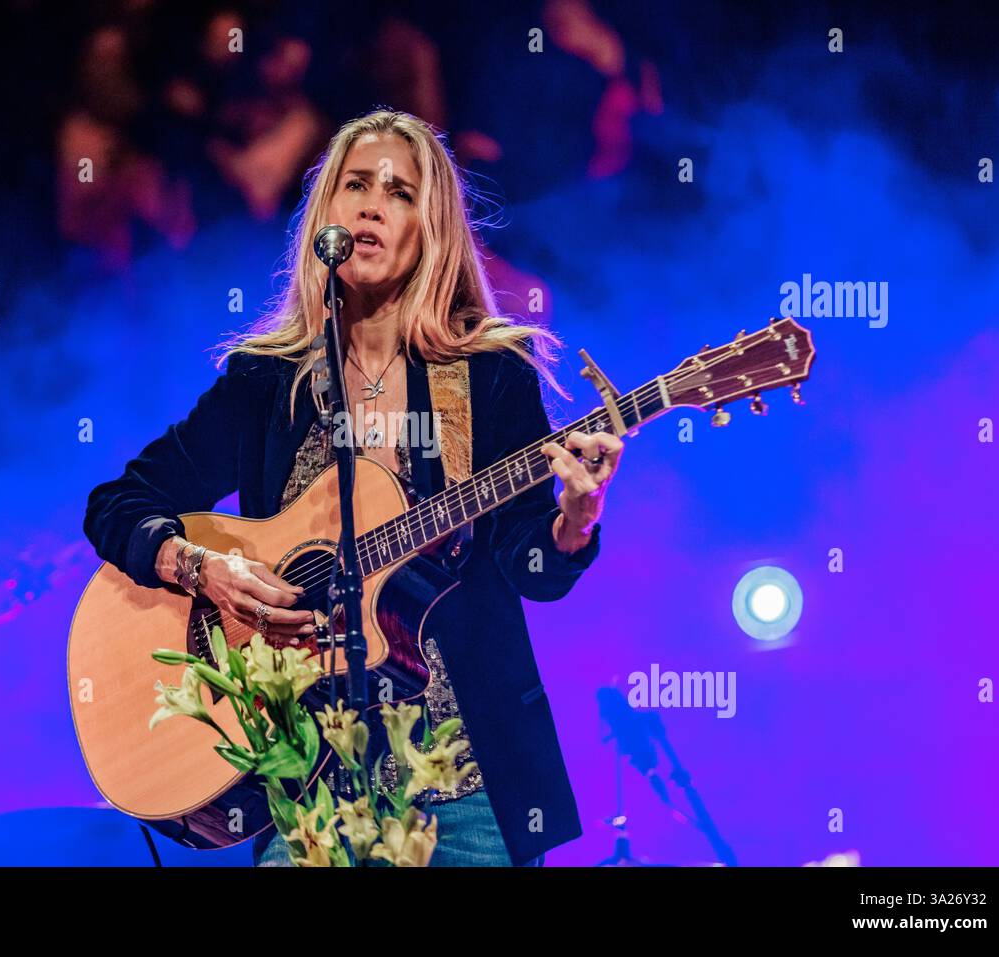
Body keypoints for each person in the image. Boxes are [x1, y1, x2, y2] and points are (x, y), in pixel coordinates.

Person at [83, 109, 623, 867]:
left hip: (464, 791)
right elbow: (116, 504)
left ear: (428, 230)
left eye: (399, 192)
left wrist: (573, 520)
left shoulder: (491, 376)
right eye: (355, 185)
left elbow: (534, 572)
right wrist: (205, 567)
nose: (371, 204)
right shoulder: (266, 383)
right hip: (307, 792)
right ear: (324, 218)